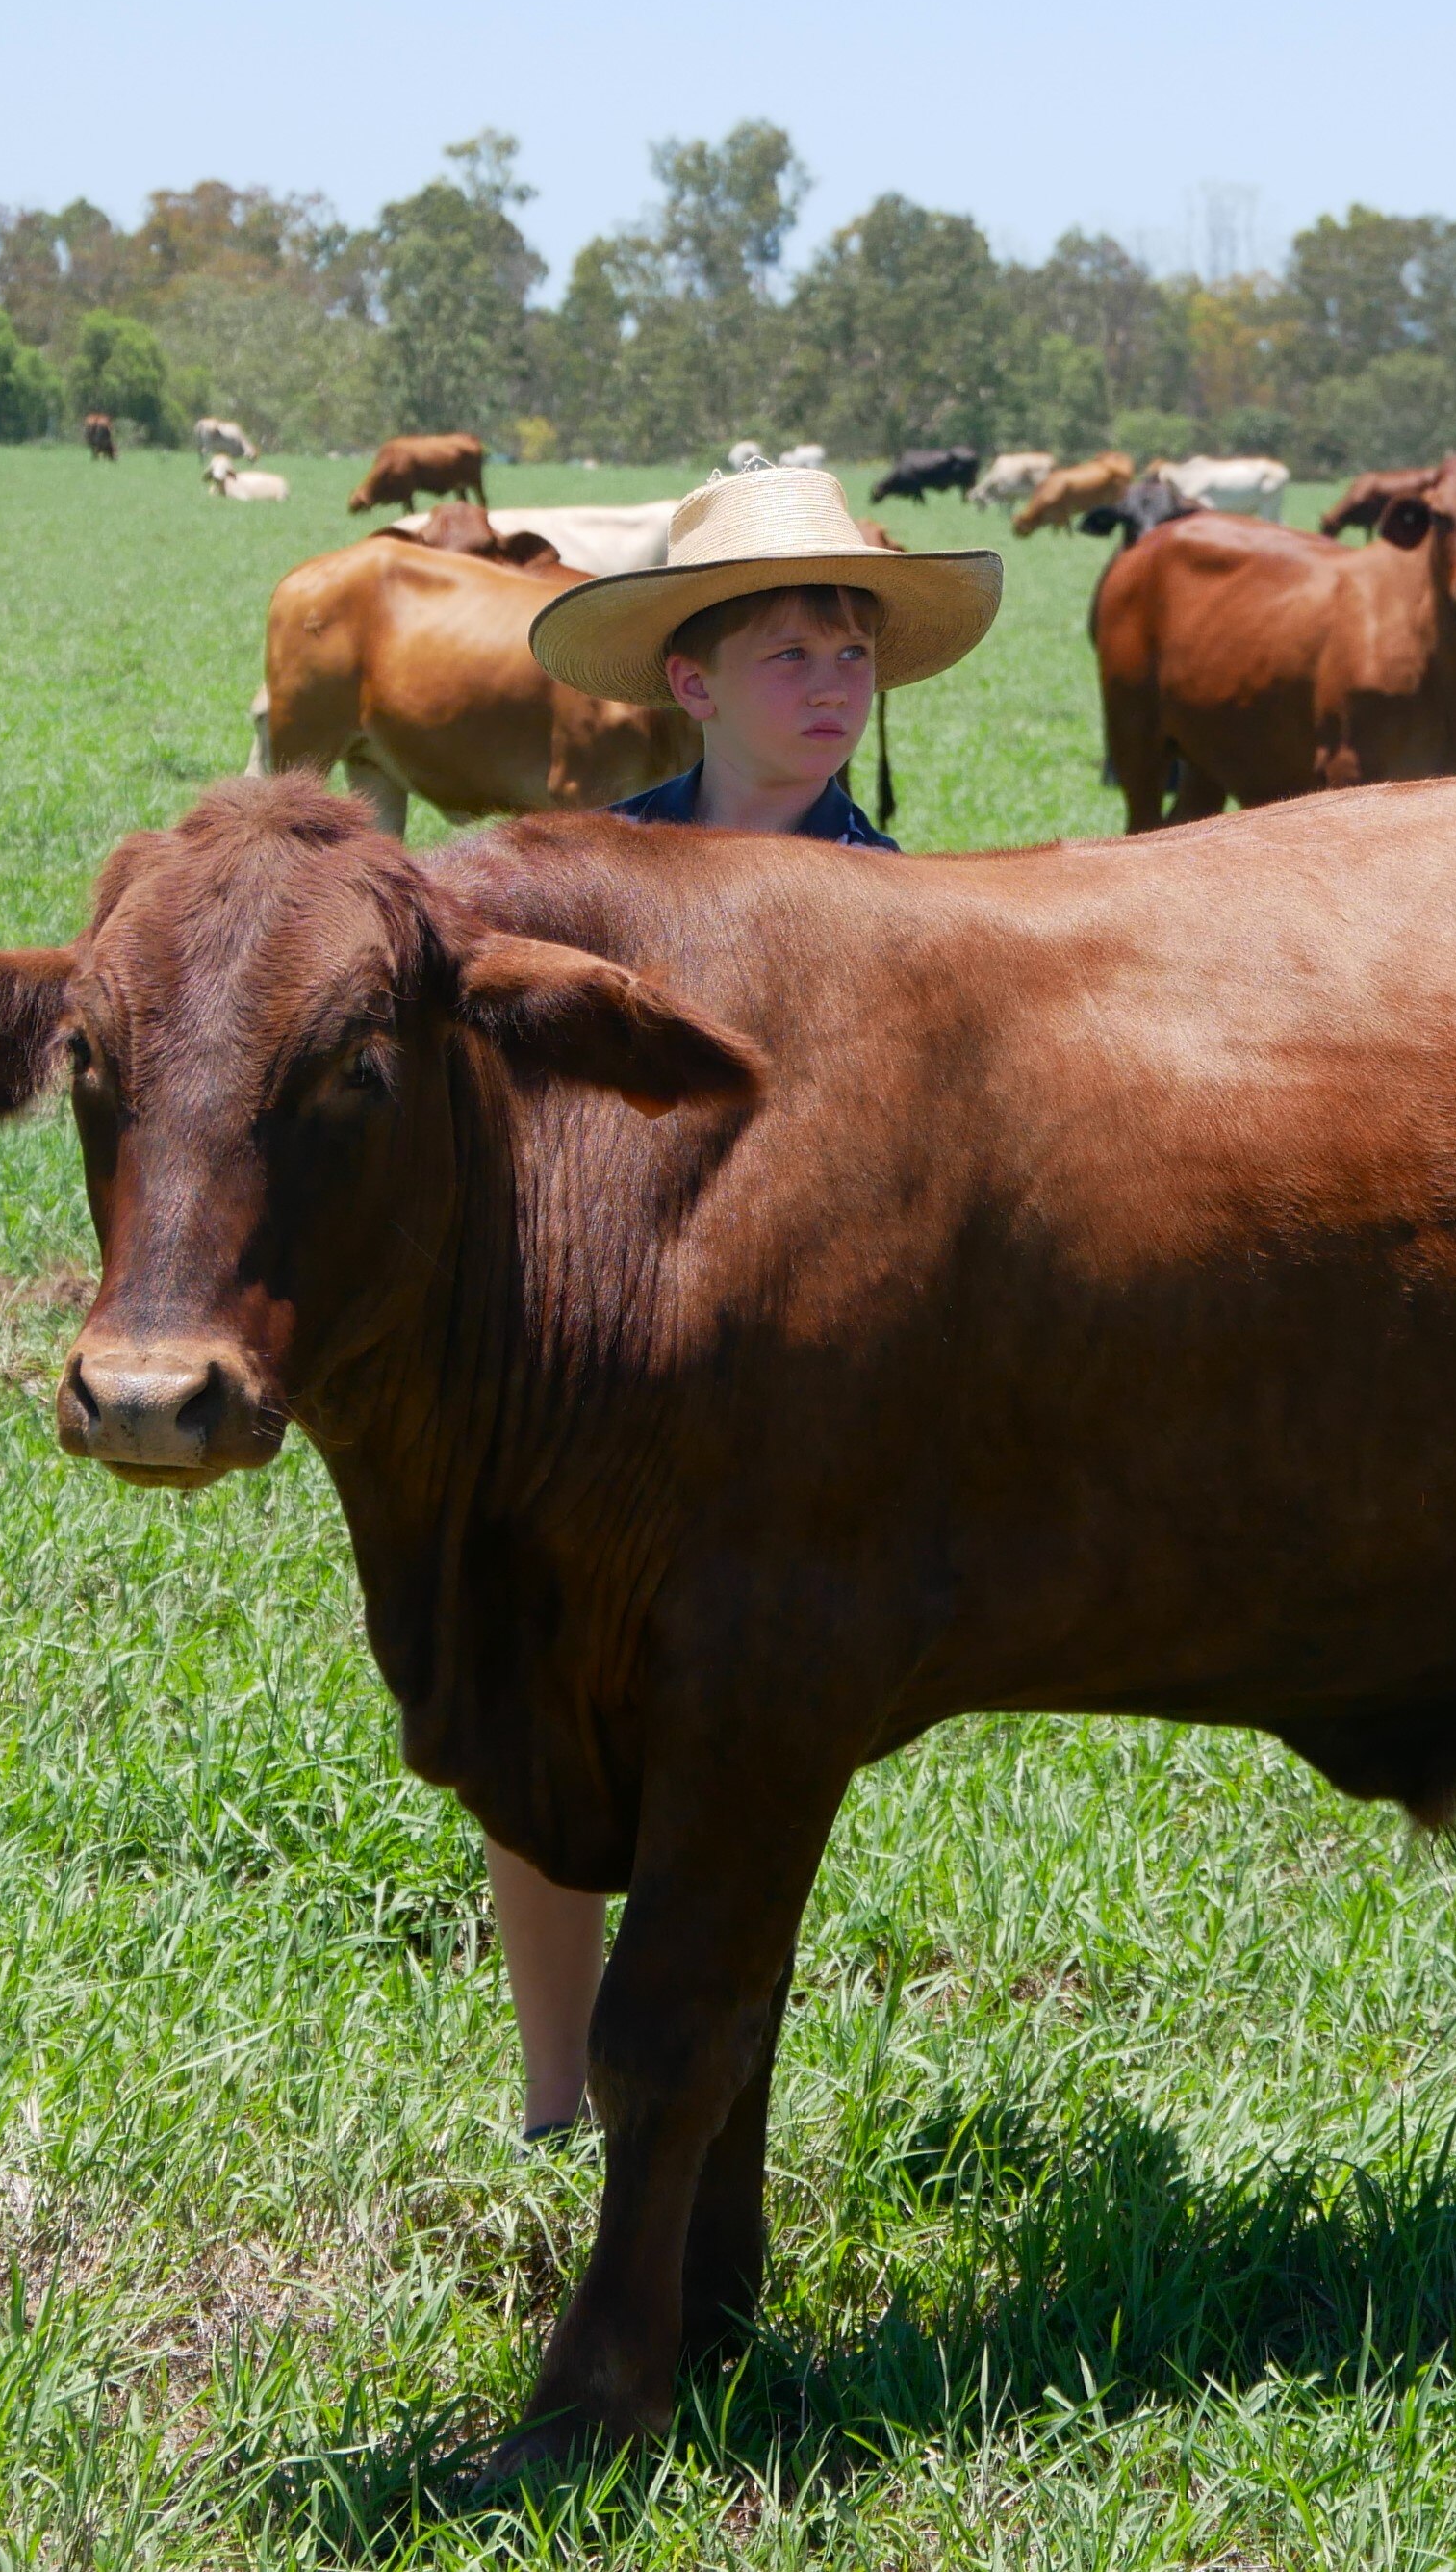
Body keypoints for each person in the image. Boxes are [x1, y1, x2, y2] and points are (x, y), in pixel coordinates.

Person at [482, 467, 1004, 2138]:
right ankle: (555, 2091)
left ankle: (696, 2095)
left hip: (789, 1398)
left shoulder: (913, 911)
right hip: (597, 1369)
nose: (835, 678)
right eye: (788, 648)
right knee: (531, 1722)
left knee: (740, 1750)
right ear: (690, 683)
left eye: (852, 644)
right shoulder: (580, 883)